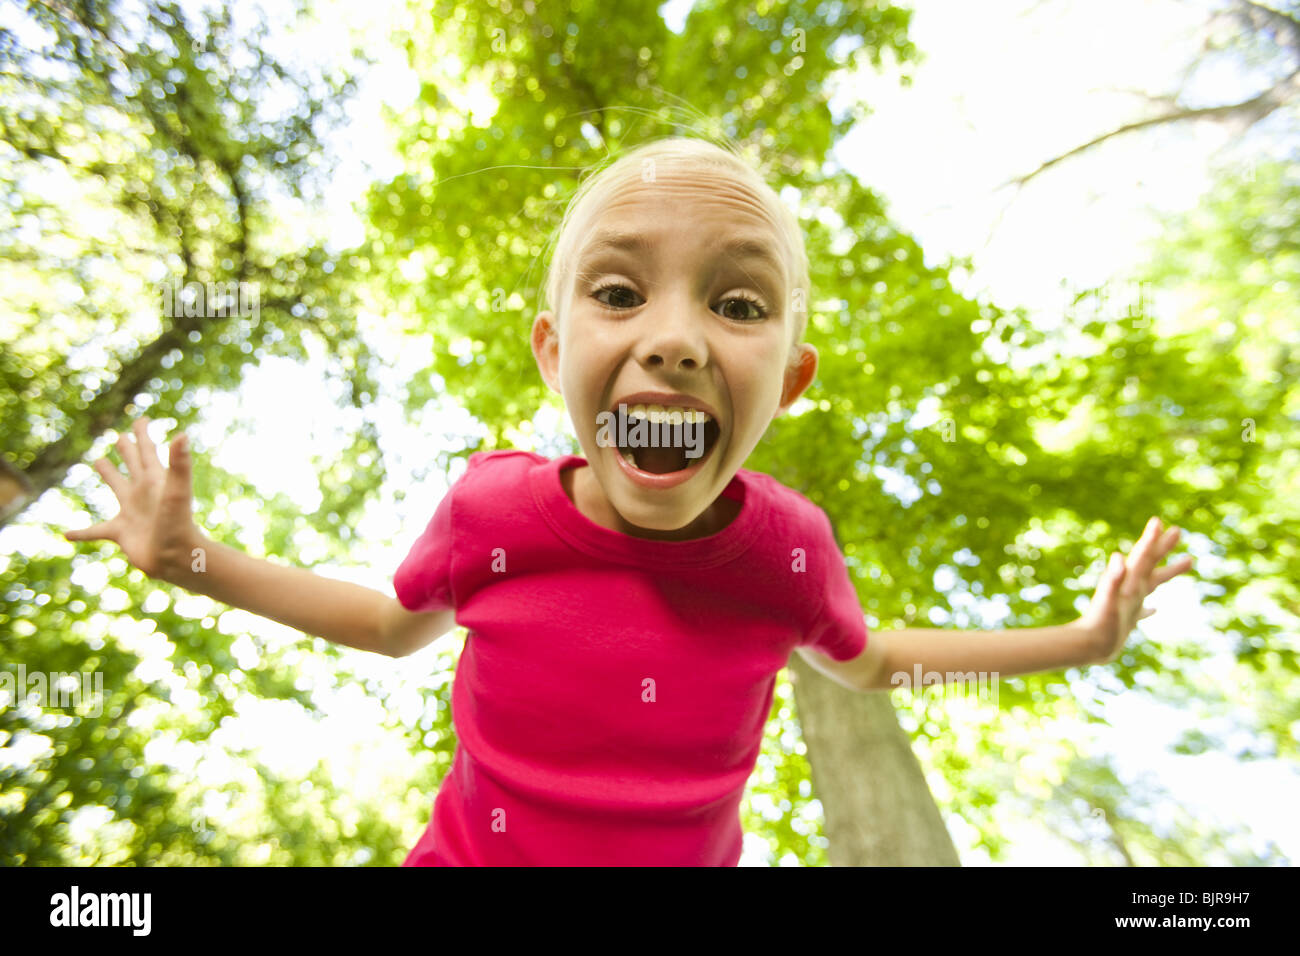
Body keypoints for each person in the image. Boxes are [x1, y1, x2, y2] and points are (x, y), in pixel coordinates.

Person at [65, 135, 1195, 866]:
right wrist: (188, 558)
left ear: (789, 381)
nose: (672, 339)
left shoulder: (788, 553)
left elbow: (880, 660)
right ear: (555, 354)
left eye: (739, 305)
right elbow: (381, 627)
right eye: (618, 291)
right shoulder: (494, 514)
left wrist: (1086, 638)